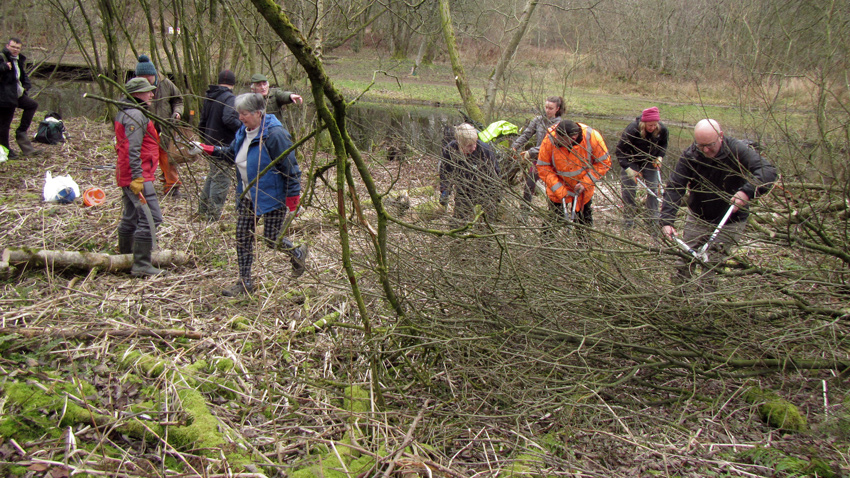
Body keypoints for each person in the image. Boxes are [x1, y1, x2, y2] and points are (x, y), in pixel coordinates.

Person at [192, 93, 307, 296]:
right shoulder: (243, 132)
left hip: (271, 196)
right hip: (247, 194)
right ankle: (244, 283)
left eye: (244, 114)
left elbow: (291, 168)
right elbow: (230, 154)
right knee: (242, 237)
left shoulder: (275, 135)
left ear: (258, 113)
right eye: (240, 114)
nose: (241, 118)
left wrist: (293, 201)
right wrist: (206, 149)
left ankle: (297, 253)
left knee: (271, 239)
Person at [661, 119, 777, 288]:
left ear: (720, 136)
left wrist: (747, 191)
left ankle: (706, 305)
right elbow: (674, 187)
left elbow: (768, 171)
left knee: (712, 267)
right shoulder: (691, 155)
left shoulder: (736, 149)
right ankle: (677, 298)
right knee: (684, 262)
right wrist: (667, 220)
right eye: (701, 146)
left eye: (710, 145)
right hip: (698, 217)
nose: (706, 150)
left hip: (730, 220)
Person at [114, 77, 165, 277]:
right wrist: (137, 177)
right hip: (138, 175)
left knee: (131, 215)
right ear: (136, 94)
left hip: (129, 172)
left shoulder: (125, 111)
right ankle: (141, 263)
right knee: (151, 216)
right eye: (147, 91)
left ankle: (125, 256)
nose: (152, 94)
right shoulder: (135, 115)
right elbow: (132, 149)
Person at [536, 119, 611, 236]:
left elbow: (603, 164)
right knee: (553, 219)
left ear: (573, 139)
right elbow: (543, 167)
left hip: (582, 188)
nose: (557, 143)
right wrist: (560, 190)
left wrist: (585, 183)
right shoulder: (550, 138)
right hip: (558, 186)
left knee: (583, 221)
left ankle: (584, 248)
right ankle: (545, 248)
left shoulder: (593, 138)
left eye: (561, 141)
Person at [135, 54, 184, 198]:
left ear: (154, 75)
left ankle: (172, 187)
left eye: (147, 77)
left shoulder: (166, 84)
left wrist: (177, 113)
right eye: (141, 77)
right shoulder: (135, 86)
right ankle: (143, 185)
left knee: (168, 158)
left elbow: (178, 100)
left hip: (165, 127)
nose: (145, 81)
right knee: (146, 157)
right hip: (145, 129)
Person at [197, 69, 242, 222]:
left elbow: (201, 123)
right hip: (223, 145)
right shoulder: (230, 98)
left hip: (209, 143)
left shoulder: (209, 97)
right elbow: (229, 119)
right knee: (221, 180)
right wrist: (243, 129)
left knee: (212, 176)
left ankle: (202, 210)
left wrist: (205, 141)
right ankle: (213, 215)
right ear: (233, 83)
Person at [615, 106, 669, 229]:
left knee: (653, 190)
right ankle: (629, 221)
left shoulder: (662, 130)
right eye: (650, 125)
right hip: (631, 160)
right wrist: (627, 168)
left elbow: (663, 144)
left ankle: (652, 221)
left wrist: (660, 156)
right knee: (629, 190)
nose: (652, 128)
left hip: (650, 161)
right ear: (643, 123)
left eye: (655, 125)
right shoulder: (632, 129)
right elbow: (619, 150)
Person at [439, 123, 500, 221]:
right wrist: (445, 189)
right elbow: (445, 172)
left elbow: (496, 174)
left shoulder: (485, 151)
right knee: (459, 221)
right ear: (460, 143)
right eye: (469, 145)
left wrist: (496, 196)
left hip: (485, 189)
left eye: (475, 143)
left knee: (487, 222)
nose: (474, 147)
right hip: (463, 189)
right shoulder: (450, 150)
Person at [511, 96, 564, 203]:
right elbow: (526, 134)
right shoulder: (538, 120)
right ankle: (524, 211)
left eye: (551, 108)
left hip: (554, 161)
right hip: (539, 159)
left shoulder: (560, 125)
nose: (547, 110)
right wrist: (515, 146)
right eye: (546, 107)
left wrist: (530, 152)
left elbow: (549, 144)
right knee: (529, 185)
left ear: (557, 109)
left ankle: (554, 212)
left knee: (554, 190)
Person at [0, 37, 39, 159]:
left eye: (18, 48)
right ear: (7, 46)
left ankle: (21, 131)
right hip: (4, 97)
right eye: (13, 47)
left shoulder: (18, 60)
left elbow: (22, 76)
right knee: (4, 125)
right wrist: (4, 67)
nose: (15, 49)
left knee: (32, 105)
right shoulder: (2, 57)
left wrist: (26, 86)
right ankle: (6, 150)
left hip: (17, 95)